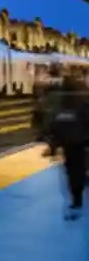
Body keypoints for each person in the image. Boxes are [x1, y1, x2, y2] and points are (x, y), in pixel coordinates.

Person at [48, 73, 88, 219]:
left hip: (68, 144)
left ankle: (76, 199)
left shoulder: (60, 106)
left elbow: (54, 126)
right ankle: (79, 192)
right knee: (80, 169)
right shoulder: (82, 103)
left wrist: (53, 145)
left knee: (71, 172)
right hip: (80, 143)